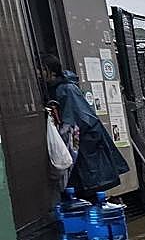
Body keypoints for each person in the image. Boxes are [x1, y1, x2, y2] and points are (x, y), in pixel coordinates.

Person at [41, 54, 129, 199]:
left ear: (51, 71)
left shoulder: (66, 89)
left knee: (87, 191)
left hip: (83, 145)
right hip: (81, 145)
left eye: (40, 69)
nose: (38, 73)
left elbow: (77, 119)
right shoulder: (60, 88)